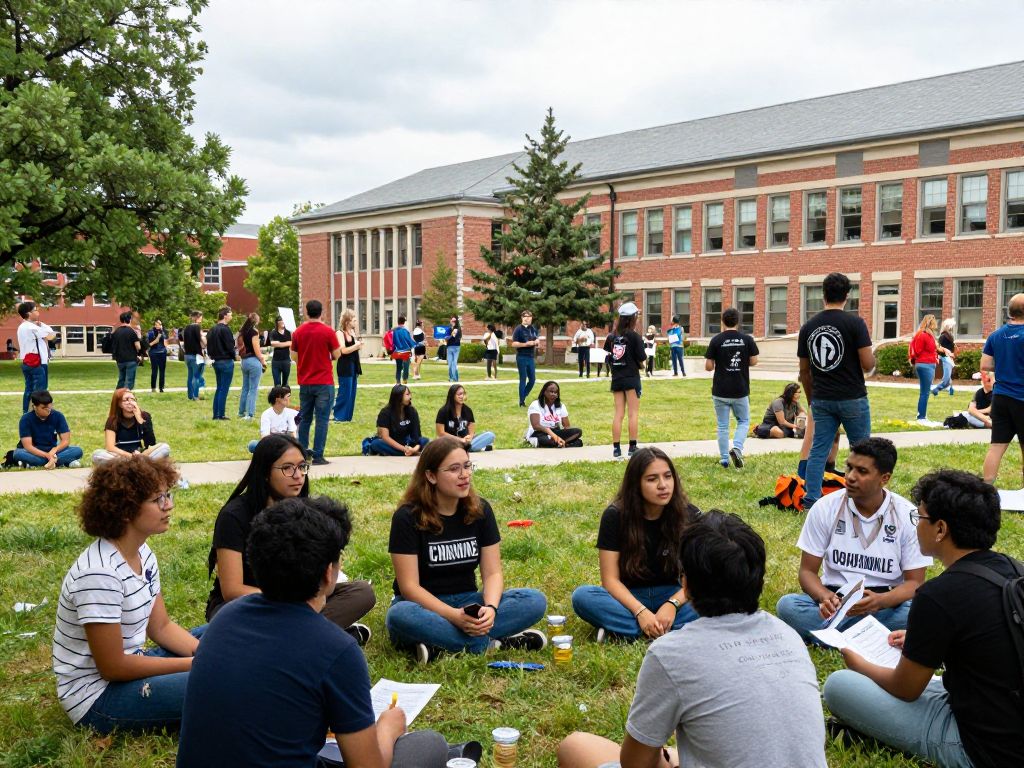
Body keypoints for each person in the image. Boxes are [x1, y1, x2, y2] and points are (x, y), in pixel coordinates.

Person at [178, 496, 452, 768]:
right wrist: (388, 729)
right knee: (429, 744)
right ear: (327, 574)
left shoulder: (225, 618)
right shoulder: (337, 650)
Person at [557, 512, 827, 768]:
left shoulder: (670, 654)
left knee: (575, 747)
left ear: (685, 584)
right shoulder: (788, 635)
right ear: (758, 578)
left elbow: (635, 763)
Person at [824, 469, 1024, 768]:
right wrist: (928, 642)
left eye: (920, 518)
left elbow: (906, 689)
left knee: (839, 685)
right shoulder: (1014, 568)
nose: (916, 526)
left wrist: (860, 665)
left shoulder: (938, 594)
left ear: (940, 528)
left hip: (985, 748)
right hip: (1005, 710)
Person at [52, 455, 204, 733]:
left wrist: (205, 654)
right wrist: (198, 665)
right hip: (99, 697)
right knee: (219, 681)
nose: (168, 505)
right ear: (125, 510)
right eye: (158, 499)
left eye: (168, 495)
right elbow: (113, 667)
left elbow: (161, 627)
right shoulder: (99, 574)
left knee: (224, 633)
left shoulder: (143, 553)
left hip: (133, 664)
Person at [385, 436, 548, 662]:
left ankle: (443, 646)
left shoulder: (480, 510)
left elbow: (492, 573)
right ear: (431, 476)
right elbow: (409, 587)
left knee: (533, 600)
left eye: (467, 466)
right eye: (454, 469)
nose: (464, 475)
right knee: (399, 616)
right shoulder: (407, 517)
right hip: (423, 606)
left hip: (470, 601)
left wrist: (490, 609)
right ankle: (494, 643)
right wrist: (453, 616)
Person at [205, 433, 375, 640]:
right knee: (232, 620)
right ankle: (320, 637)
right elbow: (232, 590)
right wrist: (291, 600)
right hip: (250, 603)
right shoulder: (234, 516)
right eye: (287, 468)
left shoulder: (305, 510)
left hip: (300, 599)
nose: (298, 475)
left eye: (302, 466)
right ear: (265, 472)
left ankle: (297, 638)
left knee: (361, 593)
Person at [776, 437, 931, 643]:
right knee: (788, 606)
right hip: (836, 601)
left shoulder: (906, 515)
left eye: (862, 471)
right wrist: (824, 597)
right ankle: (868, 638)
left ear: (884, 478)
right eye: (849, 468)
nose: (850, 477)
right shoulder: (825, 507)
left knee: (920, 611)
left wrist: (881, 601)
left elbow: (915, 583)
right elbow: (807, 572)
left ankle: (831, 636)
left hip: (886, 603)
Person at [571, 447, 700, 642]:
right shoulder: (614, 516)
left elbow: (697, 577)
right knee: (582, 596)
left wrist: (672, 604)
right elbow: (610, 580)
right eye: (652, 479)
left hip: (672, 592)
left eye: (668, 476)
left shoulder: (689, 514)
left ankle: (624, 631)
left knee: (718, 593)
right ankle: (668, 630)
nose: (663, 485)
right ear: (636, 484)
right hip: (628, 597)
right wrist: (640, 611)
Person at [798, 272, 875, 509]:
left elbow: (804, 371)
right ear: (847, 296)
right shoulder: (855, 323)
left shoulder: (808, 327)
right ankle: (864, 498)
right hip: (852, 397)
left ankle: (812, 499)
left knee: (818, 450)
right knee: (863, 451)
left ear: (823, 295)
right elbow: (868, 364)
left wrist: (812, 400)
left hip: (822, 398)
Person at [705, 306, 759, 469]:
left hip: (720, 390)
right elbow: (754, 361)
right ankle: (737, 448)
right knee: (743, 421)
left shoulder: (716, 340)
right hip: (740, 389)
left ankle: (724, 459)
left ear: (722, 321)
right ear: (738, 322)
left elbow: (708, 366)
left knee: (722, 425)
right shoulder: (747, 339)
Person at [981, 292, 1024, 486]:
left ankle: (986, 490)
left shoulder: (996, 335)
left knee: (996, 446)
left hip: (1001, 398)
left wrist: (1006, 364)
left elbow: (986, 364)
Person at [291, 299, 341, 466]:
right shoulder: (328, 332)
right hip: (324, 381)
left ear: (307, 312)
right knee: (322, 419)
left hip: (305, 381)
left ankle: (302, 455)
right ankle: (318, 455)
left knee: (305, 419)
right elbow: (337, 354)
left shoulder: (298, 332)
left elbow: (294, 356)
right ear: (322, 313)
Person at [605, 302, 647, 459]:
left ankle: (616, 449)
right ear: (633, 318)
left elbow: (610, 355)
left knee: (618, 414)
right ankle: (632, 447)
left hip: (616, 378)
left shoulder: (612, 336)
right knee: (633, 413)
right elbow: (642, 357)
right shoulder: (634, 336)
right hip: (631, 378)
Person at [91, 389, 171, 464]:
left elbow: (150, 443)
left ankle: (137, 464)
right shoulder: (112, 420)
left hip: (141, 455)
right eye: (126, 400)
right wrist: (131, 457)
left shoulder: (145, 416)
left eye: (133, 399)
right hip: (121, 456)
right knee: (97, 454)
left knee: (164, 447)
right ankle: (135, 464)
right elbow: (110, 447)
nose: (130, 402)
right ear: (119, 404)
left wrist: (140, 419)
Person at [15, 390, 84, 468]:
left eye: (50, 405)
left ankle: (38, 463)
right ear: (34, 407)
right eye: (44, 407)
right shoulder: (26, 419)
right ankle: (60, 462)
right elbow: (28, 446)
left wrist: (54, 450)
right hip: (35, 451)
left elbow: (66, 441)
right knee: (18, 453)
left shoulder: (58, 416)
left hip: (52, 449)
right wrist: (47, 455)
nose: (48, 409)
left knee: (78, 450)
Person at [16, 300, 56, 412]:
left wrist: (40, 325)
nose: (38, 312)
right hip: (37, 362)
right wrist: (42, 325)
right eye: (35, 310)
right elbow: (51, 336)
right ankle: (38, 414)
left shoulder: (23, 327)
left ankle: (26, 412)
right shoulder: (31, 328)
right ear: (29, 313)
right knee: (40, 391)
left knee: (29, 389)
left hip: (27, 362)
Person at [368, 384, 429, 456]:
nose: (410, 397)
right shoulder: (385, 413)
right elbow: (385, 437)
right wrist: (405, 449)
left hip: (407, 442)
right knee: (376, 444)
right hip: (392, 443)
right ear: (398, 397)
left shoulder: (412, 411)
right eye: (407, 394)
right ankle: (412, 453)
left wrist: (414, 449)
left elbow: (417, 436)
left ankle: (408, 453)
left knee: (426, 441)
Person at [435, 384, 495, 452]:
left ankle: (468, 448)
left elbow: (471, 432)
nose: (462, 396)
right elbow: (441, 433)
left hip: (466, 442)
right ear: (452, 395)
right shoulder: (443, 411)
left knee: (490, 435)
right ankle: (477, 448)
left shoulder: (468, 410)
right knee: (441, 444)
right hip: (450, 442)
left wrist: (469, 438)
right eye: (459, 394)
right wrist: (459, 440)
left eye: (463, 394)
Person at [525, 380, 583, 448]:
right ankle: (564, 443)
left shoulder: (561, 406)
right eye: (551, 392)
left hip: (555, 432)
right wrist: (554, 436)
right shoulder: (535, 404)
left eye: (556, 392)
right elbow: (536, 425)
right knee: (577, 442)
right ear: (544, 392)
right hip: (539, 433)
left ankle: (559, 443)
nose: (554, 394)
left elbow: (567, 426)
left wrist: (568, 435)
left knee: (578, 431)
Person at [332, 307, 363, 423]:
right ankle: (339, 416)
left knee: (352, 392)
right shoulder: (339, 333)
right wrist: (357, 345)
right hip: (345, 366)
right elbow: (343, 350)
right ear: (347, 321)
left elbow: (353, 349)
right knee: (344, 392)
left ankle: (347, 417)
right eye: (354, 320)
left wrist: (357, 345)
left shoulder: (352, 333)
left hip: (354, 365)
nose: (356, 322)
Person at [248, 386, 298, 452]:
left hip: (286, 442)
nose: (289, 399)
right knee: (253, 445)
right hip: (272, 443)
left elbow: (293, 434)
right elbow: (265, 437)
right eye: (287, 396)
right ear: (277, 399)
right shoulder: (266, 414)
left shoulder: (289, 413)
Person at [909, 314, 940, 426]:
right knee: (925, 392)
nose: (936, 323)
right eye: (934, 321)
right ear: (931, 322)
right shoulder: (923, 335)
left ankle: (921, 415)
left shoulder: (929, 335)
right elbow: (917, 350)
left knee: (924, 392)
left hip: (927, 364)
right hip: (925, 365)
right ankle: (921, 417)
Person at [207, 306, 236, 421]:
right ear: (225, 315)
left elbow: (208, 346)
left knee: (219, 388)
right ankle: (221, 414)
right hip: (226, 361)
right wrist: (234, 356)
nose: (232, 316)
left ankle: (216, 414)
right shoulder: (225, 329)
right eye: (230, 314)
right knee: (224, 389)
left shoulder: (212, 329)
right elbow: (230, 346)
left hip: (216, 361)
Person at [237, 312, 267, 420]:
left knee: (245, 388)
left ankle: (241, 412)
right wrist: (262, 359)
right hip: (253, 361)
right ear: (256, 321)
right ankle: (249, 414)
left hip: (244, 361)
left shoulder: (242, 331)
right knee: (253, 389)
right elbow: (256, 348)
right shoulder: (254, 332)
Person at [511, 309, 539, 405]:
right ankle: (521, 401)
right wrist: (526, 344)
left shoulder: (533, 329)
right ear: (522, 318)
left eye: (529, 316)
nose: (528, 318)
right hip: (521, 357)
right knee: (523, 378)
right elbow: (514, 344)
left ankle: (523, 395)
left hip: (531, 357)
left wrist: (536, 342)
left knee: (532, 380)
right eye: (526, 316)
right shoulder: (518, 329)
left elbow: (536, 339)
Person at [109, 310, 142, 390]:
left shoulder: (116, 331)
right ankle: (126, 398)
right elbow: (138, 346)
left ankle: (118, 397)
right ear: (129, 319)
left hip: (120, 360)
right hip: (130, 359)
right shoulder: (131, 331)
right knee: (129, 381)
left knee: (121, 379)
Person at [182, 310, 206, 401]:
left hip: (187, 355)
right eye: (201, 317)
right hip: (196, 355)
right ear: (198, 317)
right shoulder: (197, 327)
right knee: (196, 376)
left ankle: (190, 395)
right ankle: (196, 396)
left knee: (190, 376)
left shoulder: (186, 328)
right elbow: (202, 341)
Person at [931, 317, 956, 397]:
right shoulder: (943, 336)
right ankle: (936, 389)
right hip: (945, 357)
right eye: (951, 326)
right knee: (946, 377)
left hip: (949, 357)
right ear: (947, 326)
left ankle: (951, 389)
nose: (952, 328)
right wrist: (947, 353)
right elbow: (938, 347)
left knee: (948, 376)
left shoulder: (949, 336)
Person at [267, 316, 292, 387]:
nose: (282, 321)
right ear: (277, 322)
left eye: (283, 320)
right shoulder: (273, 332)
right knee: (277, 385)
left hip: (286, 361)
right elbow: (272, 343)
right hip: (276, 361)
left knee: (285, 384)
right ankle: (277, 398)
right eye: (280, 320)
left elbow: (291, 343)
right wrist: (286, 343)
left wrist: (279, 344)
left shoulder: (288, 333)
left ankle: (285, 397)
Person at [390, 315, 415, 385]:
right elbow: (408, 340)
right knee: (406, 366)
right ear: (404, 322)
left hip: (397, 351)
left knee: (398, 366)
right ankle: (404, 379)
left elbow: (392, 341)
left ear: (398, 322)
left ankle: (398, 381)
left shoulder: (394, 331)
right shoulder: (405, 331)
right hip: (405, 351)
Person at [146, 319, 169, 393]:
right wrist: (158, 337)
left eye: (160, 324)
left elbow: (166, 343)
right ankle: (153, 388)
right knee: (154, 370)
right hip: (154, 353)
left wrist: (162, 335)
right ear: (154, 324)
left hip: (162, 352)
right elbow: (150, 343)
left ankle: (161, 388)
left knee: (162, 371)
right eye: (157, 324)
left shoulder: (164, 332)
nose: (158, 325)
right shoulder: (150, 332)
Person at [445, 315, 462, 382]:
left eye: (453, 321)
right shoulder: (451, 329)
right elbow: (447, 338)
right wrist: (449, 337)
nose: (452, 322)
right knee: (452, 363)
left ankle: (454, 378)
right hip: (452, 347)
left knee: (453, 363)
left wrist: (449, 337)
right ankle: (453, 378)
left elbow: (450, 338)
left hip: (454, 347)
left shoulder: (456, 329)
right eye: (451, 320)